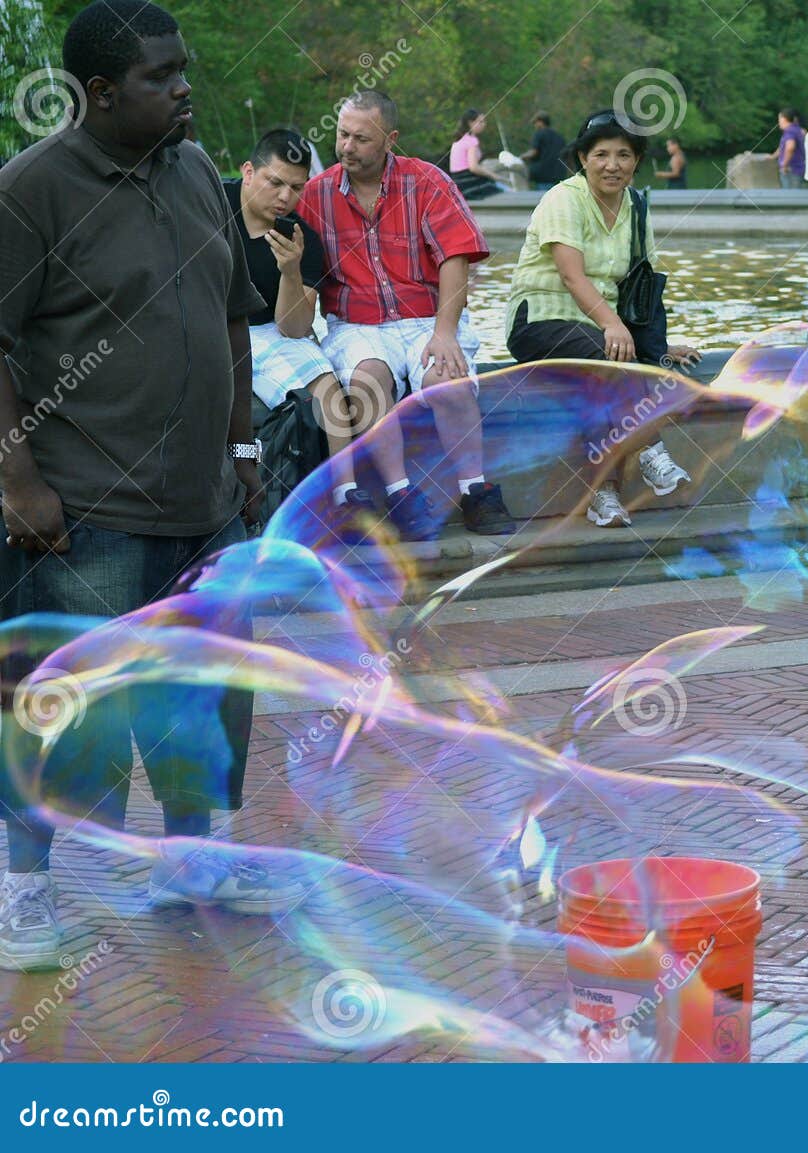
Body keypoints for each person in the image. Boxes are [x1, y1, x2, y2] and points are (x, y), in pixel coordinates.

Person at [0, 0, 305, 970]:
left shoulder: (194, 175)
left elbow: (230, 321)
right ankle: (21, 894)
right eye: (160, 77)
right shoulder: (31, 192)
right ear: (97, 93)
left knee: (203, 690)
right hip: (88, 508)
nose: (184, 89)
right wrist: (19, 482)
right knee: (64, 707)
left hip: (204, 501)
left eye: (184, 71)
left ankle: (190, 865)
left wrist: (244, 451)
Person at [297, 89, 515, 541]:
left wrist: (446, 331)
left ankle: (475, 490)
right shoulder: (316, 195)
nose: (347, 148)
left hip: (426, 318)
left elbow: (456, 255)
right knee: (367, 379)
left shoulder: (427, 181)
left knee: (445, 381)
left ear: (389, 139)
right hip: (357, 324)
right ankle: (399, 494)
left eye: (361, 138)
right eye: (342, 135)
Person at [504, 109, 701, 529]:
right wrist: (613, 326)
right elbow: (571, 276)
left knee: (600, 380)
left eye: (624, 155)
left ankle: (603, 494)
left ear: (636, 161)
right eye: (601, 154)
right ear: (582, 159)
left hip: (600, 325)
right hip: (541, 318)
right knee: (608, 359)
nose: (613, 165)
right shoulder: (564, 197)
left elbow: (641, 288)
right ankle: (650, 449)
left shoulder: (637, 207)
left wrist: (659, 348)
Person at [230, 129, 379, 494]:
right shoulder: (209, 203)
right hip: (209, 323)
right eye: (275, 182)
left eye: (296, 188)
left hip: (268, 330)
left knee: (328, 387)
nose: (284, 197)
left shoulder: (302, 238)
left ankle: (347, 494)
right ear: (248, 172)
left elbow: (294, 327)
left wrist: (290, 271)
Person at [448, 107, 508, 200]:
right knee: (504, 189)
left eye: (484, 121)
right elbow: (474, 167)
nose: (484, 124)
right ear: (470, 123)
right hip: (468, 181)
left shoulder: (459, 139)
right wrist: (493, 175)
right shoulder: (472, 141)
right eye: (480, 122)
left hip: (457, 180)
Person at [521, 111, 568, 191]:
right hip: (559, 177)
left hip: (543, 178)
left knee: (544, 200)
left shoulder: (539, 134)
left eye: (535, 123)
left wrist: (521, 157)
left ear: (540, 122)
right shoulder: (559, 137)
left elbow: (533, 152)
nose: (535, 126)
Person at [772, 108, 806, 190]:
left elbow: (790, 147)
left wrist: (784, 165)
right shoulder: (798, 129)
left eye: (779, 119)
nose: (778, 122)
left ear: (784, 119)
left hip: (790, 170)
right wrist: (772, 156)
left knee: (790, 198)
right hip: (798, 169)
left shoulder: (789, 131)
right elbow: (783, 147)